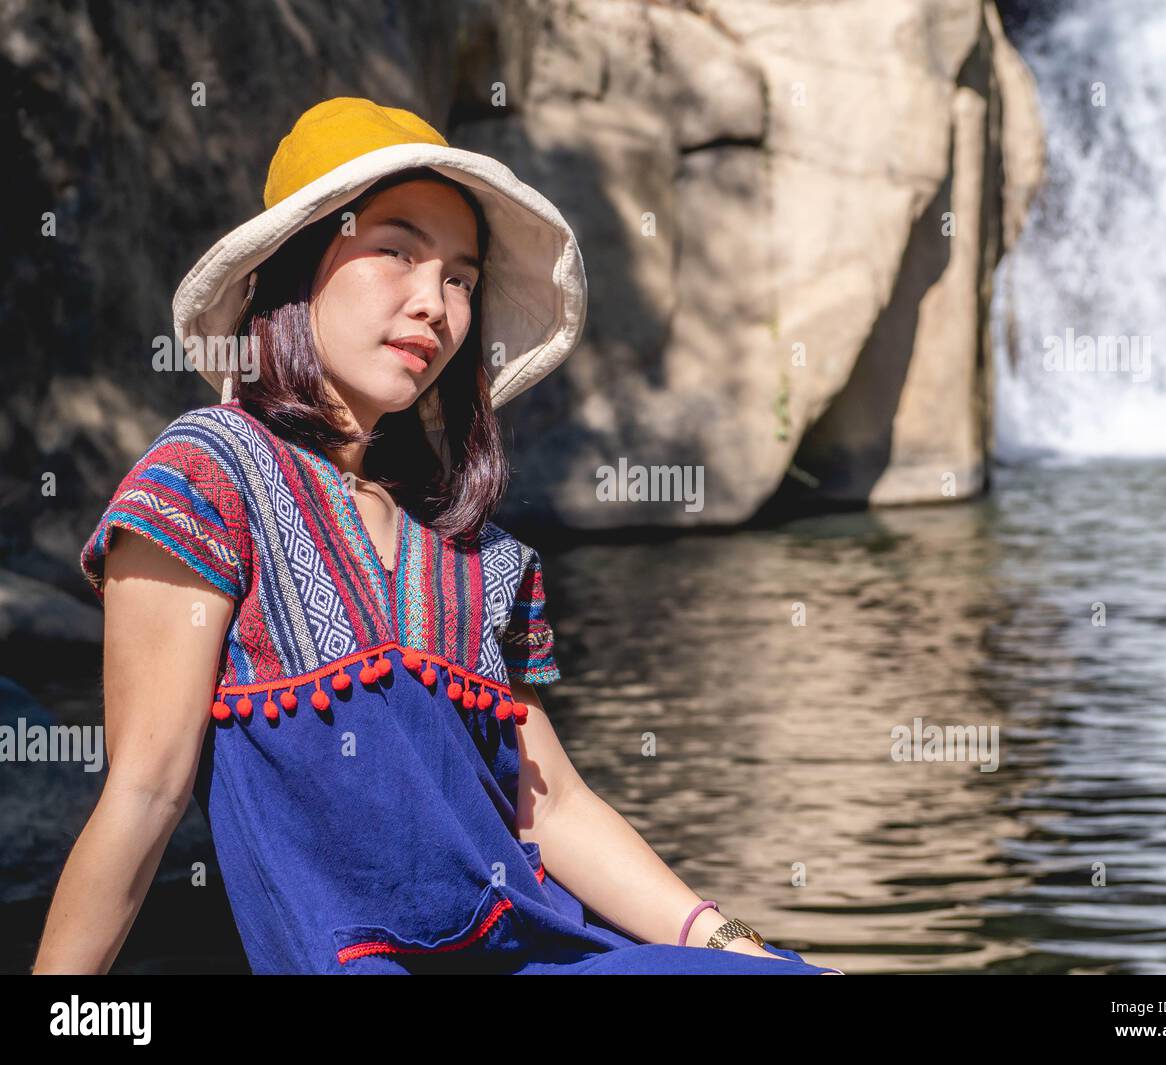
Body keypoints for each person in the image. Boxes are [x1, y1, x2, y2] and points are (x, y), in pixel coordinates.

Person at [32, 97, 844, 975]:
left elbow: (555, 808)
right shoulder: (209, 473)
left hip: (535, 952)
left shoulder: (475, 552)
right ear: (296, 264)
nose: (436, 303)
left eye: (461, 276)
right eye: (396, 250)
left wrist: (741, 947)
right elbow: (146, 790)